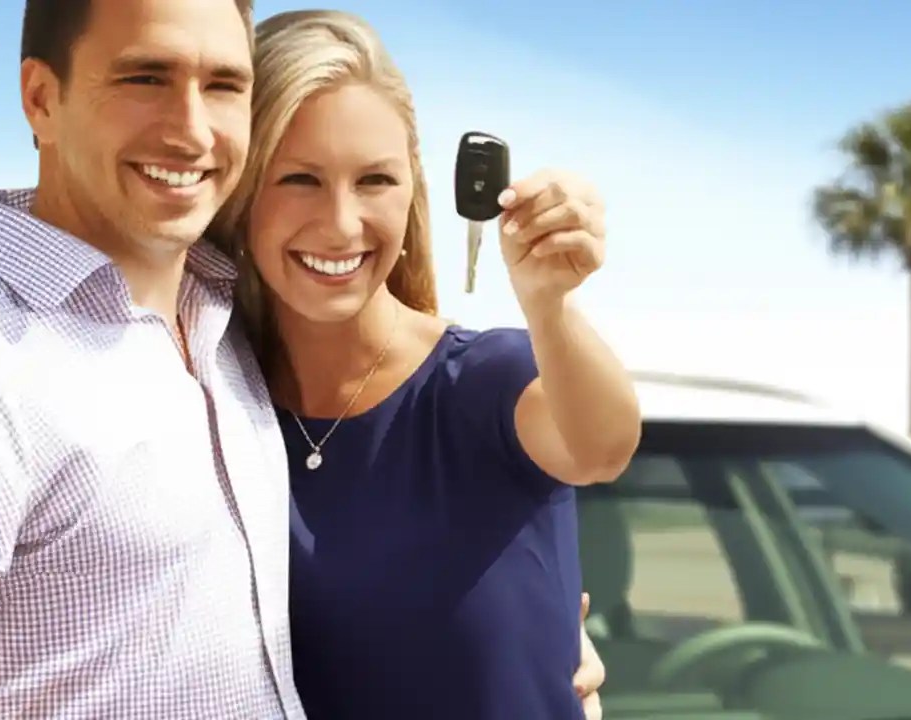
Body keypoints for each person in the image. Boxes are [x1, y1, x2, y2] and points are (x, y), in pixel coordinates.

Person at [0, 1, 607, 718]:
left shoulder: (225, 335)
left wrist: (524, 641)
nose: (191, 129)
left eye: (223, 84)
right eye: (145, 78)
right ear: (41, 98)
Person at [208, 10, 641, 720]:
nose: (342, 223)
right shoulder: (207, 404)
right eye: (299, 179)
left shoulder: (486, 381)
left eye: (375, 180)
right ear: (242, 192)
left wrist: (551, 306)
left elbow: (603, 446)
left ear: (413, 188)